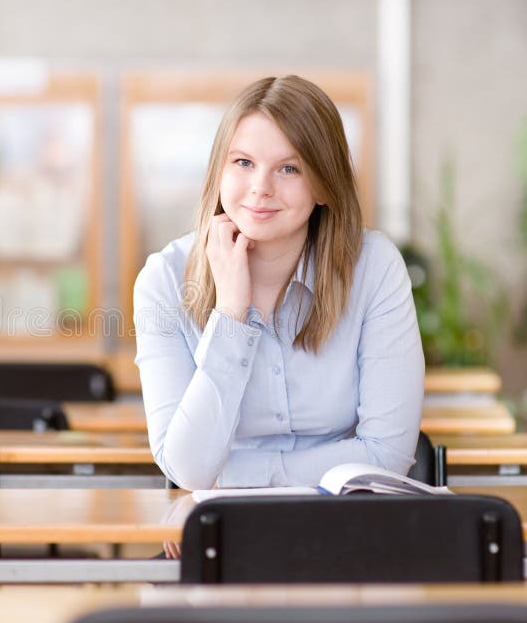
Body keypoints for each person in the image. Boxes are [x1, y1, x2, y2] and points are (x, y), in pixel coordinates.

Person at [133, 75, 424, 503]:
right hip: (223, 531)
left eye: (289, 168)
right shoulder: (164, 281)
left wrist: (234, 473)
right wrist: (231, 313)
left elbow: (388, 453)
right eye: (243, 163)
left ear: (324, 184)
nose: (261, 188)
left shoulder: (374, 268)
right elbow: (189, 469)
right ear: (218, 171)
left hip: (346, 519)